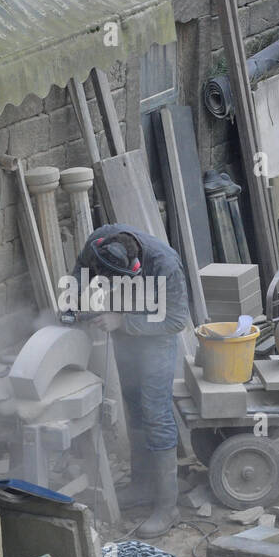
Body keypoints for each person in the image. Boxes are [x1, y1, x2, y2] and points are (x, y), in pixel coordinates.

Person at [71, 225, 189, 538]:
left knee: (155, 412)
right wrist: (71, 304)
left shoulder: (165, 265)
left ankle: (168, 508)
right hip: (127, 326)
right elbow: (81, 271)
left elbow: (176, 320)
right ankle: (142, 486)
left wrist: (123, 320)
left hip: (157, 336)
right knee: (134, 405)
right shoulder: (98, 242)